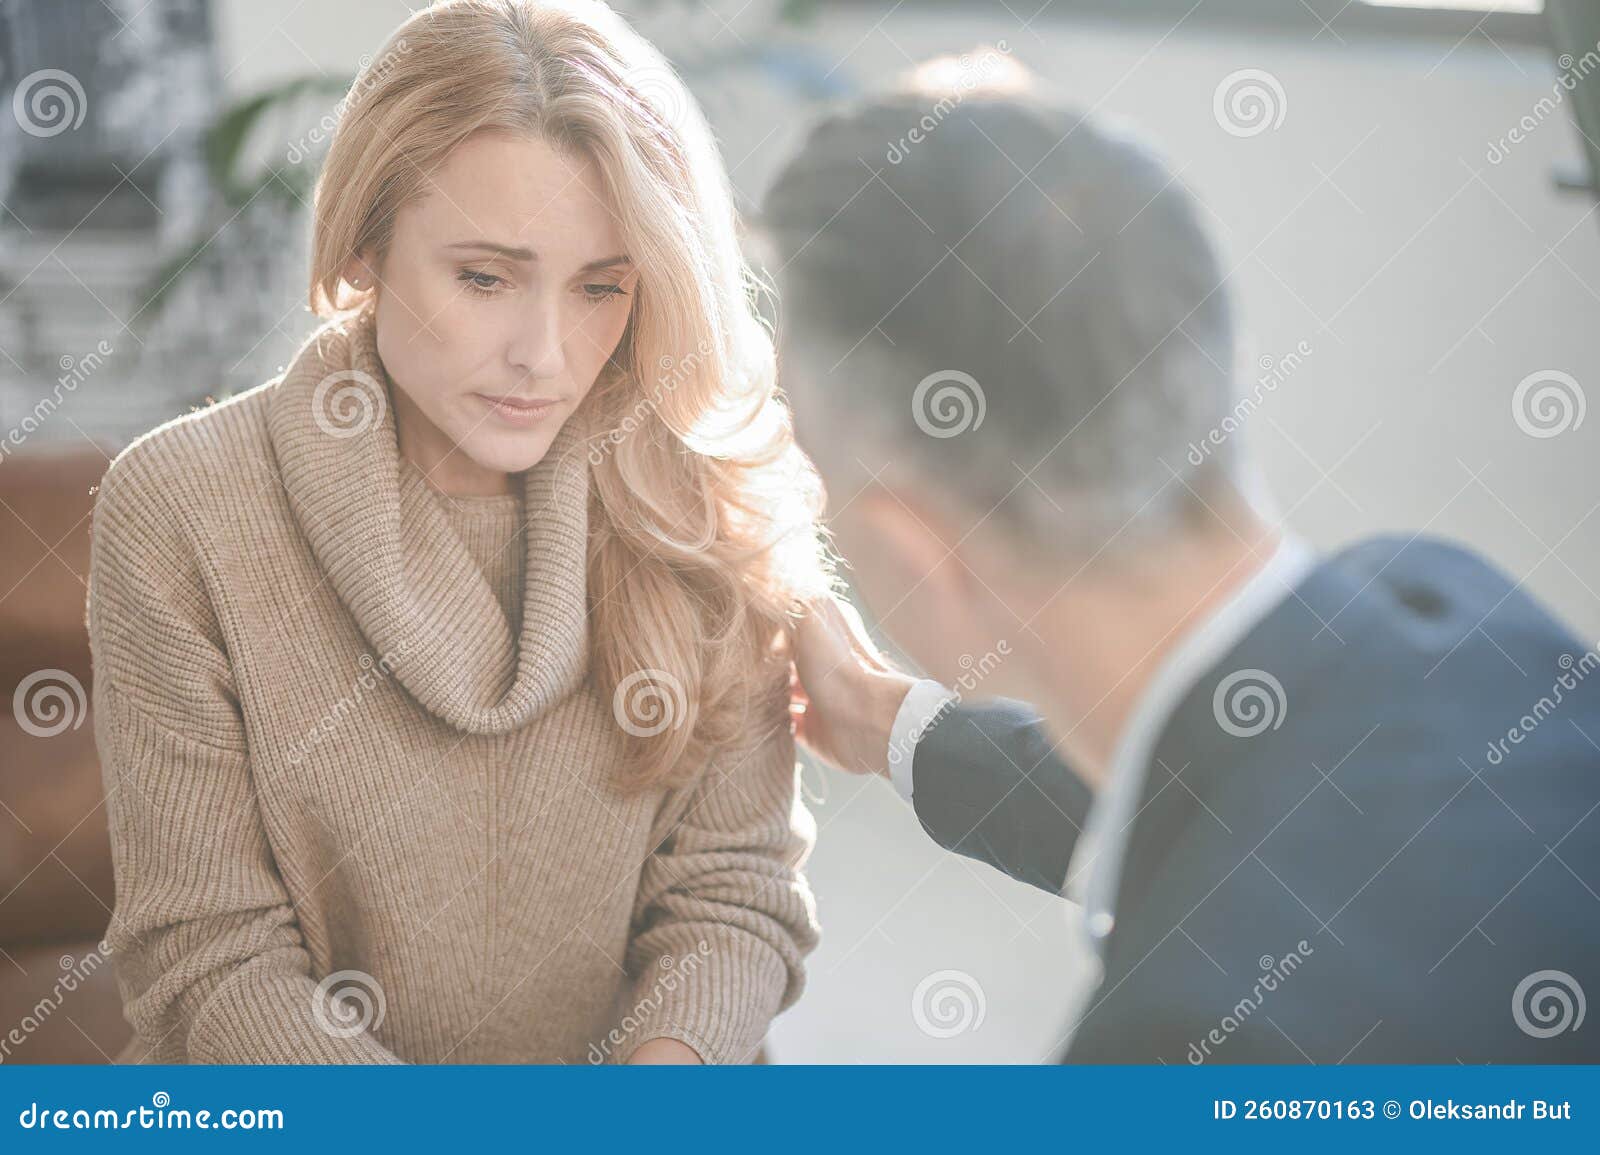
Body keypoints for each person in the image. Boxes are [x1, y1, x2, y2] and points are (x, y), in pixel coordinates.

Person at [763, 55, 1600, 1062]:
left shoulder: (1183, 1041)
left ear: (920, 553)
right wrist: (887, 720)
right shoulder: (1450, 609)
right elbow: (1253, 810)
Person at [87, 0, 830, 1065]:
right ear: (365, 247)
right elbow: (209, 951)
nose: (545, 354)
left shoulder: (696, 489)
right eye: (484, 278)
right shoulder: (184, 505)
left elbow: (732, 896)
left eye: (599, 288)